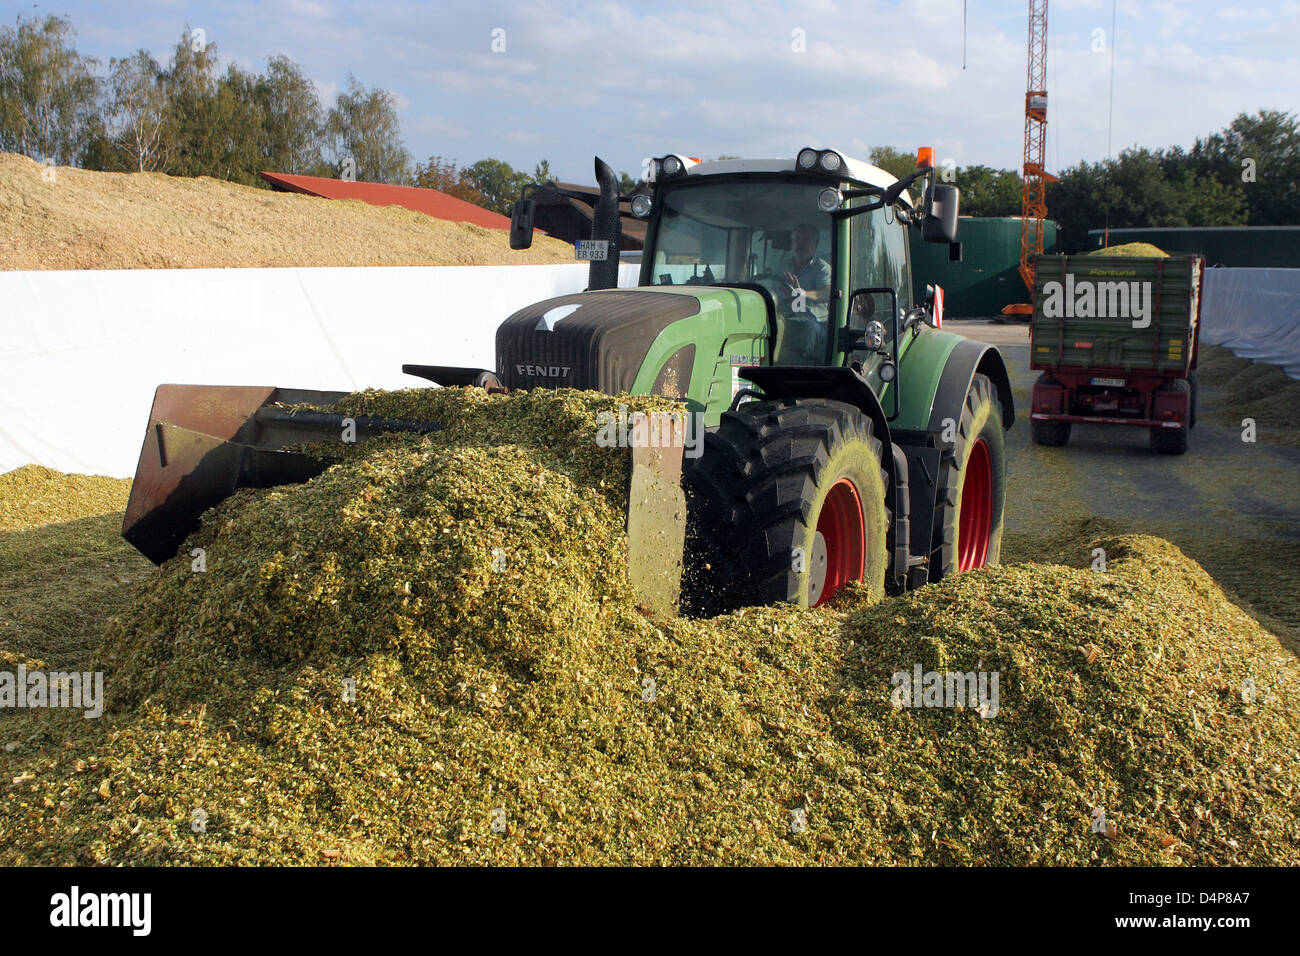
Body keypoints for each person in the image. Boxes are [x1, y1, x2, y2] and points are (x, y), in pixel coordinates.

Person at [771, 222, 831, 363]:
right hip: (786, 317)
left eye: (806, 240)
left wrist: (801, 293)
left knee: (804, 327)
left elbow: (828, 293)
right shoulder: (783, 266)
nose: (800, 244)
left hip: (816, 323)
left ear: (815, 244)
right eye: (797, 239)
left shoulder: (821, 268)